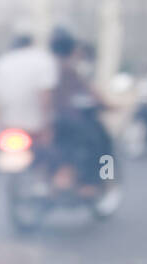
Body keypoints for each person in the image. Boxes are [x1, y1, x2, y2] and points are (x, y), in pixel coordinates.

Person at [48, 29, 119, 213]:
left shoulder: (47, 66)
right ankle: (92, 183)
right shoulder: (69, 69)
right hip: (69, 121)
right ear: (72, 50)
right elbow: (91, 93)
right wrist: (109, 106)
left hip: (46, 122)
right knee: (101, 143)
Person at [0, 26, 58, 139]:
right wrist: (47, 126)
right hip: (36, 130)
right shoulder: (43, 60)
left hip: (7, 128)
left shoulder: (1, 62)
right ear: (32, 42)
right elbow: (46, 96)